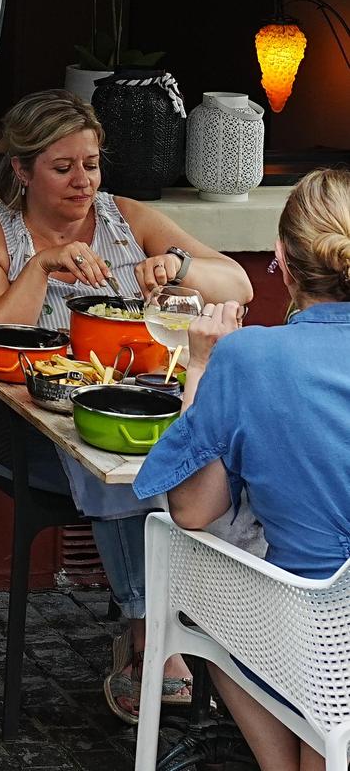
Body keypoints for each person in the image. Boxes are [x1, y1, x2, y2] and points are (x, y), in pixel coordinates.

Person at [0, 87, 254, 722]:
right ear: (23, 170)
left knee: (210, 452)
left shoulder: (124, 216)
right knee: (134, 467)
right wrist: (39, 270)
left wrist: (175, 265)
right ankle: (151, 634)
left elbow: (239, 282)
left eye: (90, 164)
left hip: (137, 402)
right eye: (62, 168)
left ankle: (233, 619)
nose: (82, 181)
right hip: (34, 428)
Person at [133, 166, 350, 771]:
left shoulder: (250, 356)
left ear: (280, 256)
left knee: (206, 600)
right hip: (332, 641)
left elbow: (192, 511)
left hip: (311, 635)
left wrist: (200, 366)